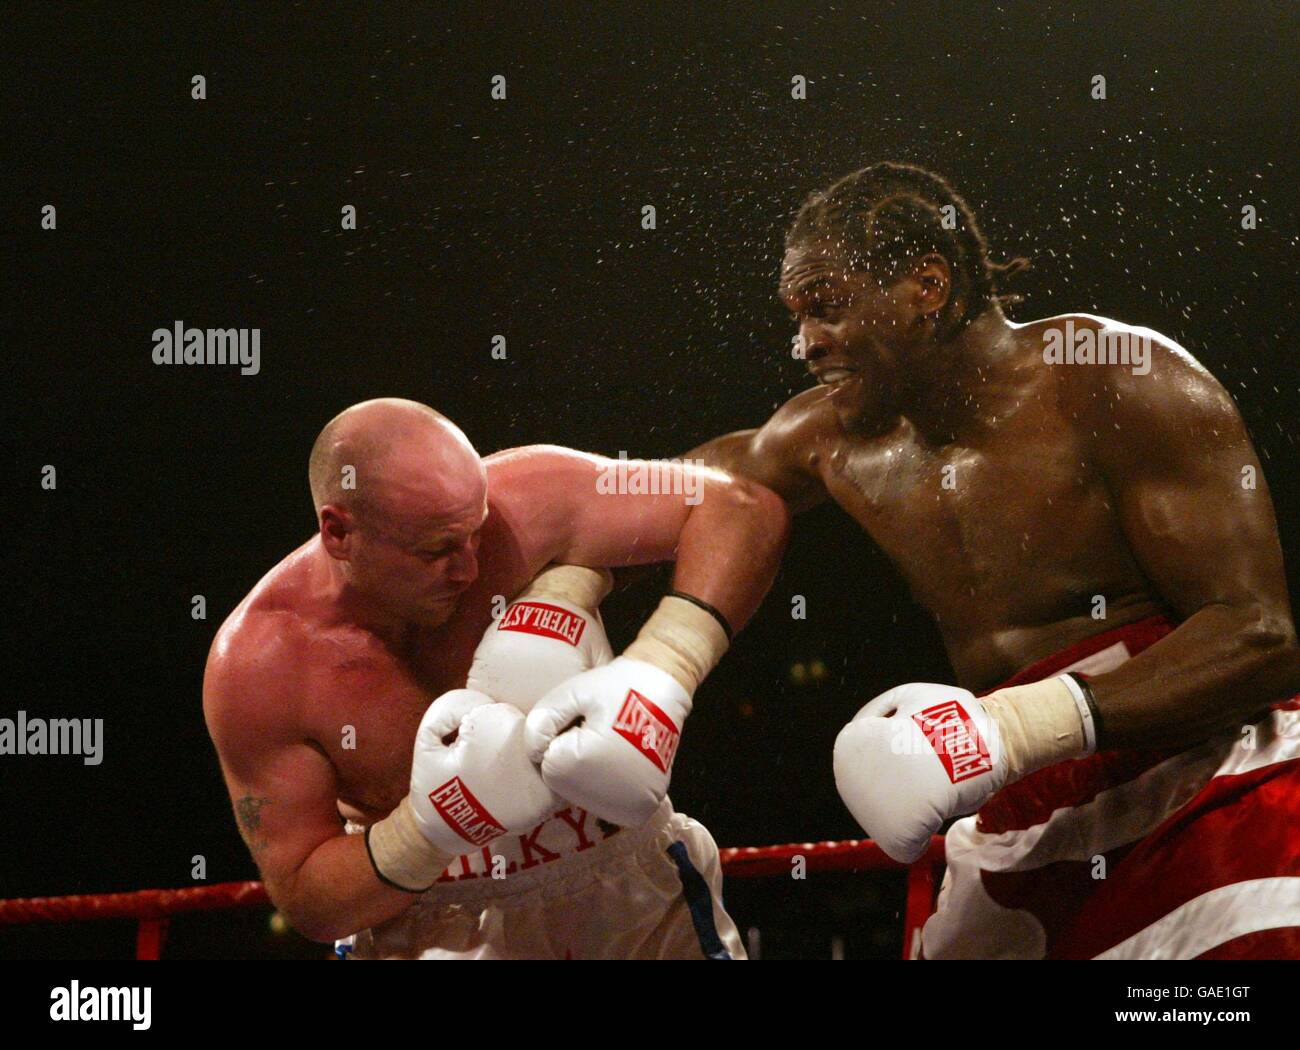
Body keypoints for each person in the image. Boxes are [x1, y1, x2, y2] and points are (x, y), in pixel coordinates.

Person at [688, 162, 1300, 959]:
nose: (805, 342)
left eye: (826, 308)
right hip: (1013, 796)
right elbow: (659, 499)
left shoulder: (1112, 379)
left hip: (1197, 767)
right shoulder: (831, 437)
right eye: (797, 316)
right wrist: (498, 519)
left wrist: (1009, 728)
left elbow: (1259, 635)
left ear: (926, 287)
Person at [203, 397, 788, 958]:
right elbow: (308, 900)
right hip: (437, 924)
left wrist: (665, 666)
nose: (471, 566)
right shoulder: (262, 668)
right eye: (437, 549)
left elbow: (741, 508)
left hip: (628, 890)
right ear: (339, 532)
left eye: (476, 532)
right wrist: (428, 829)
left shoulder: (528, 495)